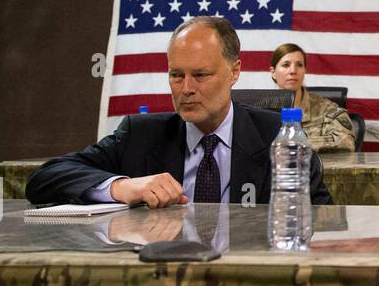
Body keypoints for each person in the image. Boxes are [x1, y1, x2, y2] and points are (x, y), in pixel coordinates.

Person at [26, 17, 333, 206]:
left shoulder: (278, 137)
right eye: (176, 75)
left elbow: (320, 217)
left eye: (200, 75)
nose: (186, 88)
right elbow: (44, 178)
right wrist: (122, 186)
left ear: (234, 71)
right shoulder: (139, 135)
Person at [269, 42, 357, 152]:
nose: (293, 71)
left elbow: (346, 141)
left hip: (315, 163)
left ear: (304, 70)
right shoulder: (261, 109)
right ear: (273, 72)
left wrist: (296, 143)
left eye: (299, 65)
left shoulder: (327, 109)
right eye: (286, 65)